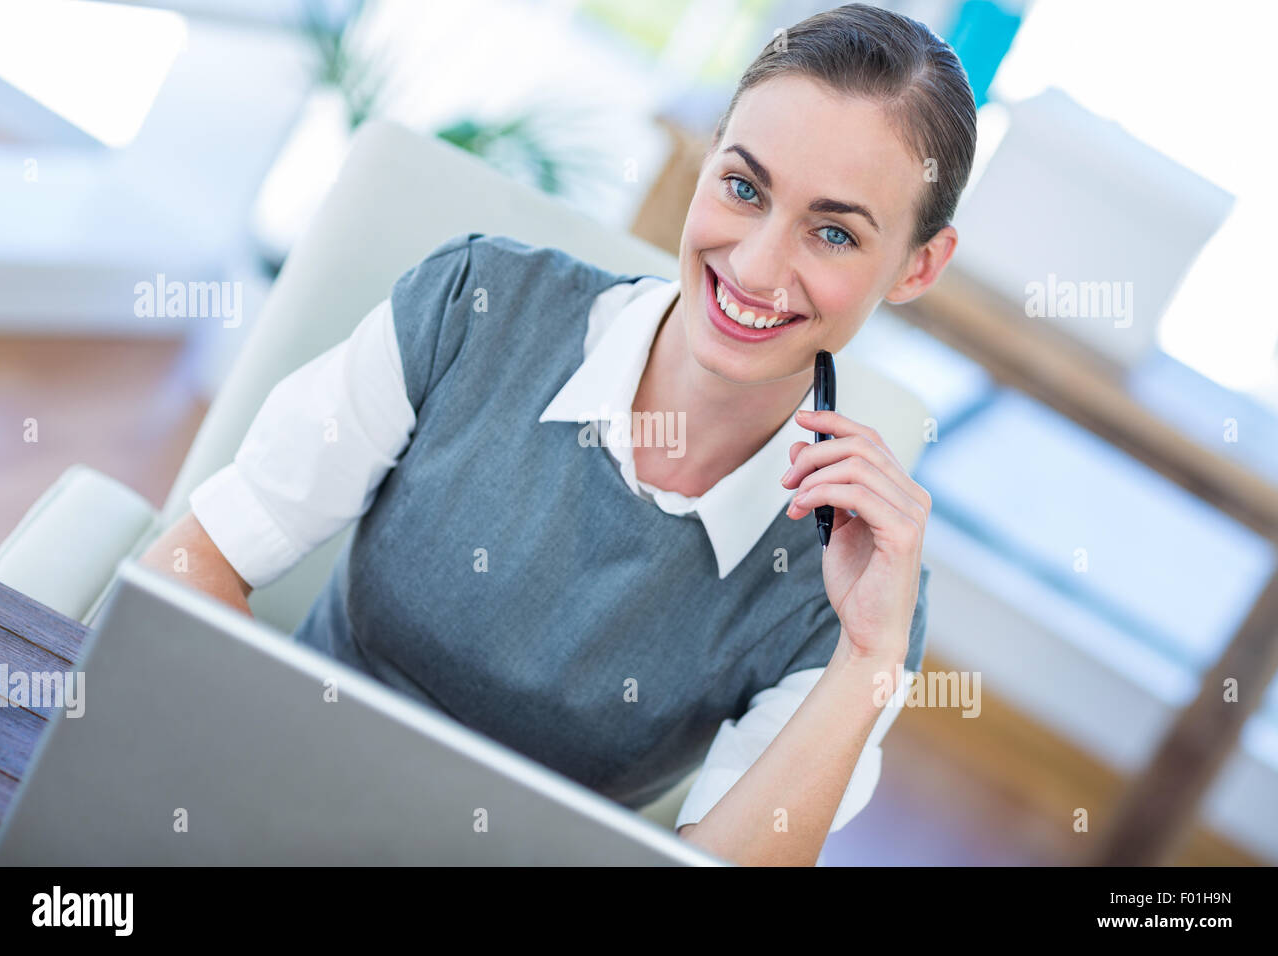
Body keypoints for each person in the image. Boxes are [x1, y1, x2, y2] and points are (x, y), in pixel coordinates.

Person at [141, 2, 976, 866]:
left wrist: (866, 659)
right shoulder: (474, 307)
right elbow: (191, 561)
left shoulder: (859, 582)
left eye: (834, 232)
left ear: (919, 263)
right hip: (259, 800)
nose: (758, 266)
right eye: (743, 187)